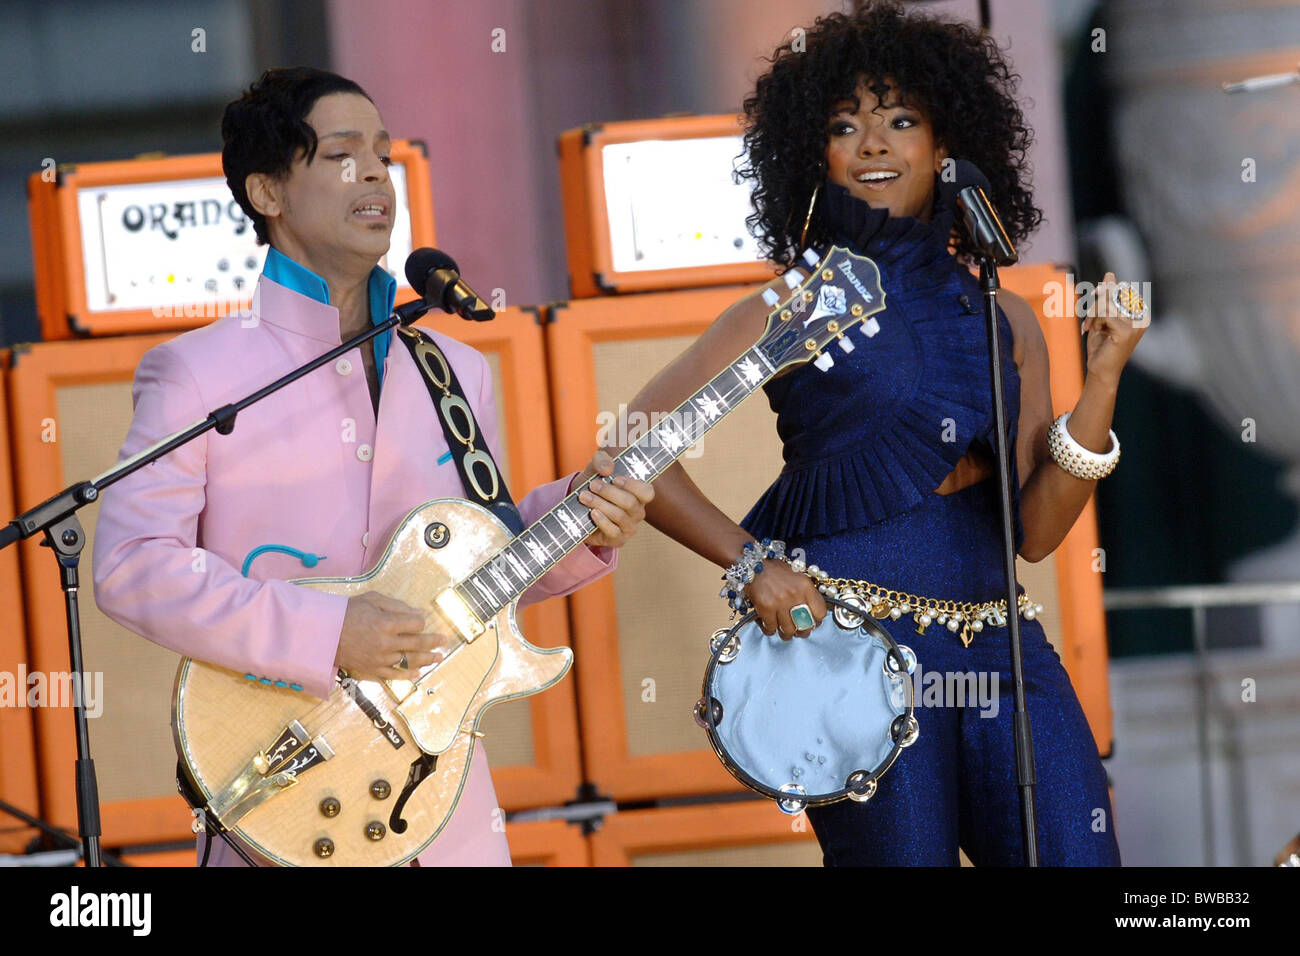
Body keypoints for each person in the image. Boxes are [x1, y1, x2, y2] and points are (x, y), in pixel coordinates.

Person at [619, 3, 1141, 865]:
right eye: (844, 125)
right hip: (848, 661)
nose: (872, 144)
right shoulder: (795, 304)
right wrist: (755, 566)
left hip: (1003, 651)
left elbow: (1040, 533)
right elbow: (637, 446)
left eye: (901, 120)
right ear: (810, 153)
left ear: (947, 148)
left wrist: (1108, 376)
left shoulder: (1006, 314)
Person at [91, 67, 654, 867]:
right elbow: (130, 566)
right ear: (267, 192)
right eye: (342, 155)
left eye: (383, 158)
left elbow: (478, 563)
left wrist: (578, 517)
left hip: (441, 800)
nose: (374, 178)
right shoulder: (197, 372)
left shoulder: (457, 367)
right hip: (282, 780)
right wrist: (325, 632)